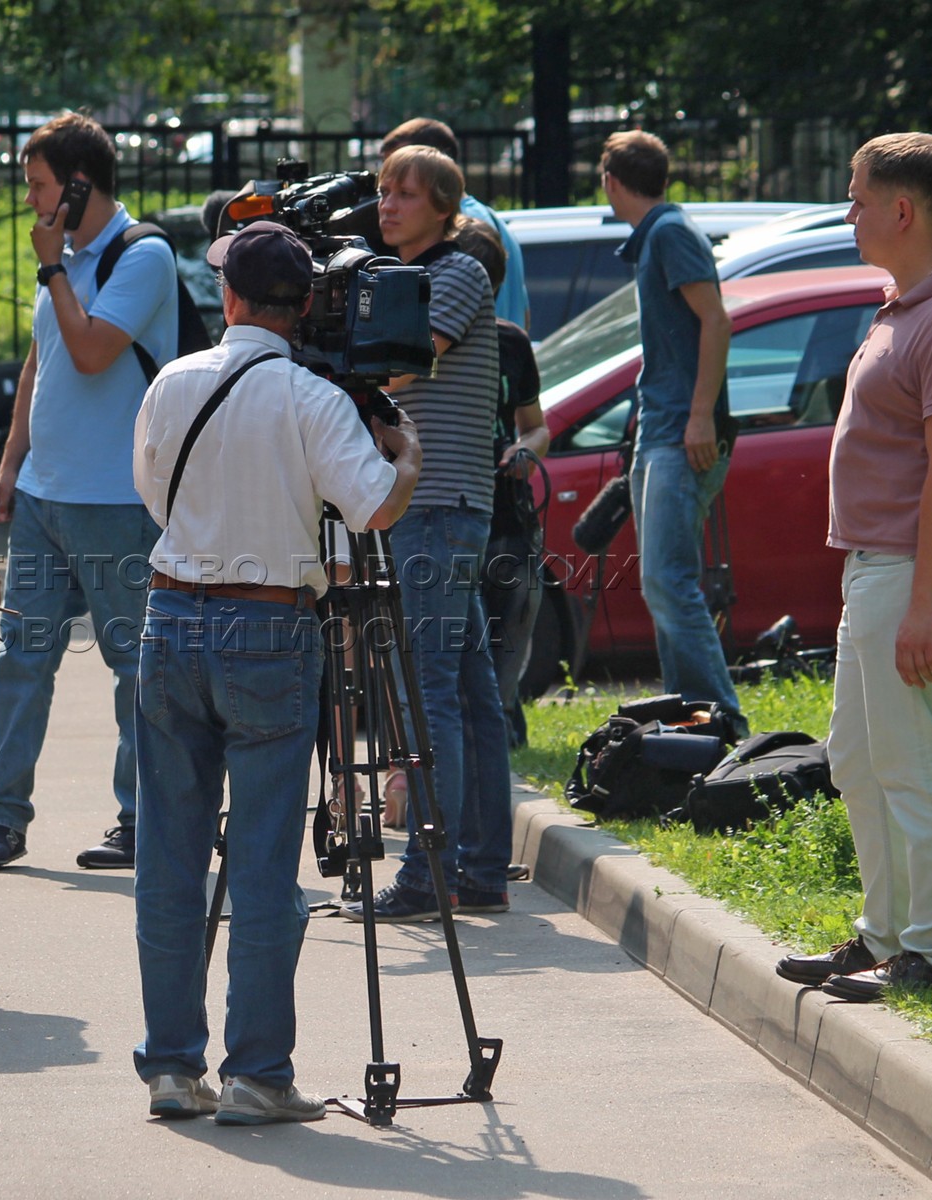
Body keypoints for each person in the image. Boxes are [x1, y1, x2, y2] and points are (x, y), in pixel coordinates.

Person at [131, 220, 420, 1123]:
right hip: (270, 626)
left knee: (169, 856)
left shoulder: (174, 382)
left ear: (230, 300)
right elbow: (374, 507)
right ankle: (258, 1075)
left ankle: (173, 1068)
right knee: (260, 861)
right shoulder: (313, 397)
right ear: (304, 311)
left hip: (171, 615)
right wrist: (403, 449)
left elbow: (152, 492)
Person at [775, 133, 932, 1001]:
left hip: (923, 573)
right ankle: (886, 938)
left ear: (903, 211)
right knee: (862, 759)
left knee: (920, 762)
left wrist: (924, 602)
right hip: (885, 570)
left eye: (858, 196)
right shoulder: (911, 300)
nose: (849, 211)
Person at [0, 113, 178, 872]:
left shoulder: (142, 255)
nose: (30, 199)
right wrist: (10, 461)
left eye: (39, 185)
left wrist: (56, 269)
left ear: (80, 185)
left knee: (135, 665)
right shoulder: (60, 262)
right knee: (20, 658)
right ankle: (0, 819)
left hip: (117, 501)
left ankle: (141, 816)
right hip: (45, 498)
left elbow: (91, 352)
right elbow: (40, 363)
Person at [342, 146, 514, 923]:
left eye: (405, 194)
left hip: (439, 508)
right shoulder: (401, 276)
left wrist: (337, 378)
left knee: (428, 690)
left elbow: (408, 365)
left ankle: (428, 871)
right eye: (383, 192)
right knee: (472, 694)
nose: (388, 205)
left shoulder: (457, 273)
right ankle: (479, 870)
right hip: (434, 509)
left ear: (445, 206)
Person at [601, 130, 746, 738]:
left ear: (612, 180)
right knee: (661, 582)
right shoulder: (660, 233)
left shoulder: (669, 232)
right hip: (661, 429)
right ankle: (688, 720)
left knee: (668, 581)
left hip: (679, 433)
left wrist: (698, 417)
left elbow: (715, 320)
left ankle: (723, 723)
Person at [453, 219, 550, 751]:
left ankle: (504, 731)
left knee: (510, 634)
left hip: (508, 517)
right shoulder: (428, 345)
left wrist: (527, 448)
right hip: (449, 511)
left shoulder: (512, 342)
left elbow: (536, 421)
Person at [380, 118, 531, 332]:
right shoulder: (495, 221)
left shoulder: (464, 229)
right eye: (385, 190)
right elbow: (524, 315)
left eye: (405, 189)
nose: (388, 205)